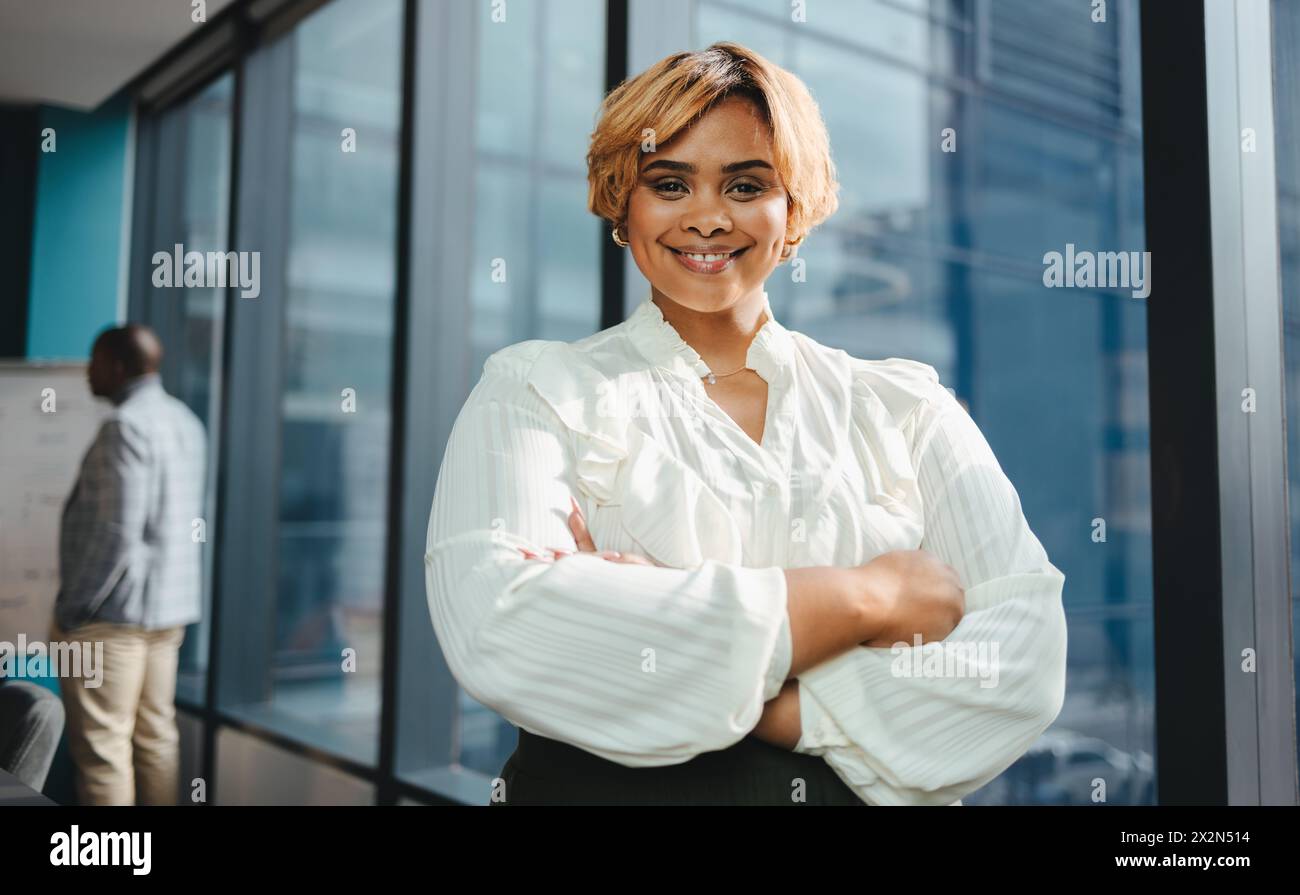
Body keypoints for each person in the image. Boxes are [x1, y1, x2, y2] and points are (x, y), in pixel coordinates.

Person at [425, 42, 1067, 805]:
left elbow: (1020, 665)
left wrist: (726, 672)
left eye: (745, 184)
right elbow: (503, 627)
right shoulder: (536, 390)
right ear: (621, 203)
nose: (706, 216)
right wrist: (869, 598)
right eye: (669, 182)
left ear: (791, 210)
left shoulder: (908, 409)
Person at [48, 324, 206, 806]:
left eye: (94, 361)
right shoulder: (185, 420)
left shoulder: (125, 426)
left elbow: (115, 533)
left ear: (118, 366)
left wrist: (74, 608)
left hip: (112, 619)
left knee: (102, 752)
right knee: (156, 739)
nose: (87, 373)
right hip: (168, 612)